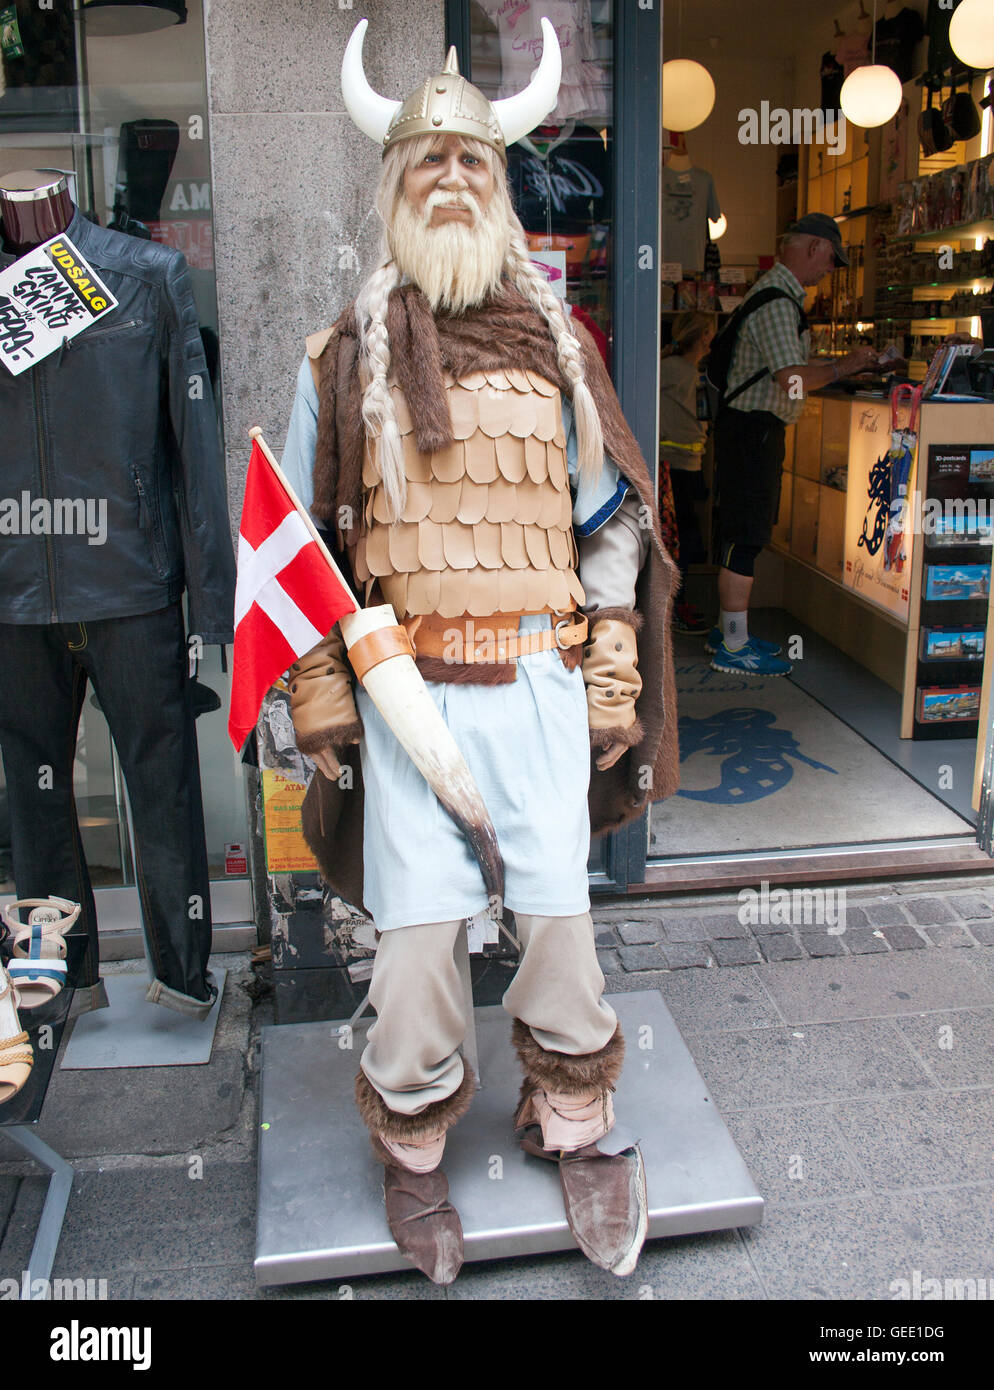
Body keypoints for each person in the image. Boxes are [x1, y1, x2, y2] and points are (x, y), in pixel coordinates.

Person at [277, 22, 679, 1285]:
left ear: (497, 185)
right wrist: (325, 690)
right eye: (424, 163)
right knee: (416, 948)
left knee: (561, 921)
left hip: (543, 685)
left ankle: (573, 1114)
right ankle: (412, 1144)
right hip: (412, 704)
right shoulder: (340, 357)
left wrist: (610, 662)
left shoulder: (559, 349)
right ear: (390, 189)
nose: (449, 177)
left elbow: (607, 520)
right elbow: (298, 550)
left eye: (470, 160)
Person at [709, 211, 879, 675]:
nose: (830, 270)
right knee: (745, 536)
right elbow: (792, 381)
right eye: (830, 259)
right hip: (754, 431)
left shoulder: (774, 295)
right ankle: (733, 647)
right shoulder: (779, 303)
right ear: (812, 248)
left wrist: (836, 364)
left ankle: (729, 635)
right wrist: (846, 367)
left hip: (748, 429)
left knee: (741, 533)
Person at [659, 311, 715, 633]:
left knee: (682, 537)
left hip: (685, 464)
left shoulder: (684, 370)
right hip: (676, 466)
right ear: (704, 336)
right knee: (680, 538)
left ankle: (677, 603)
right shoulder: (676, 370)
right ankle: (675, 606)